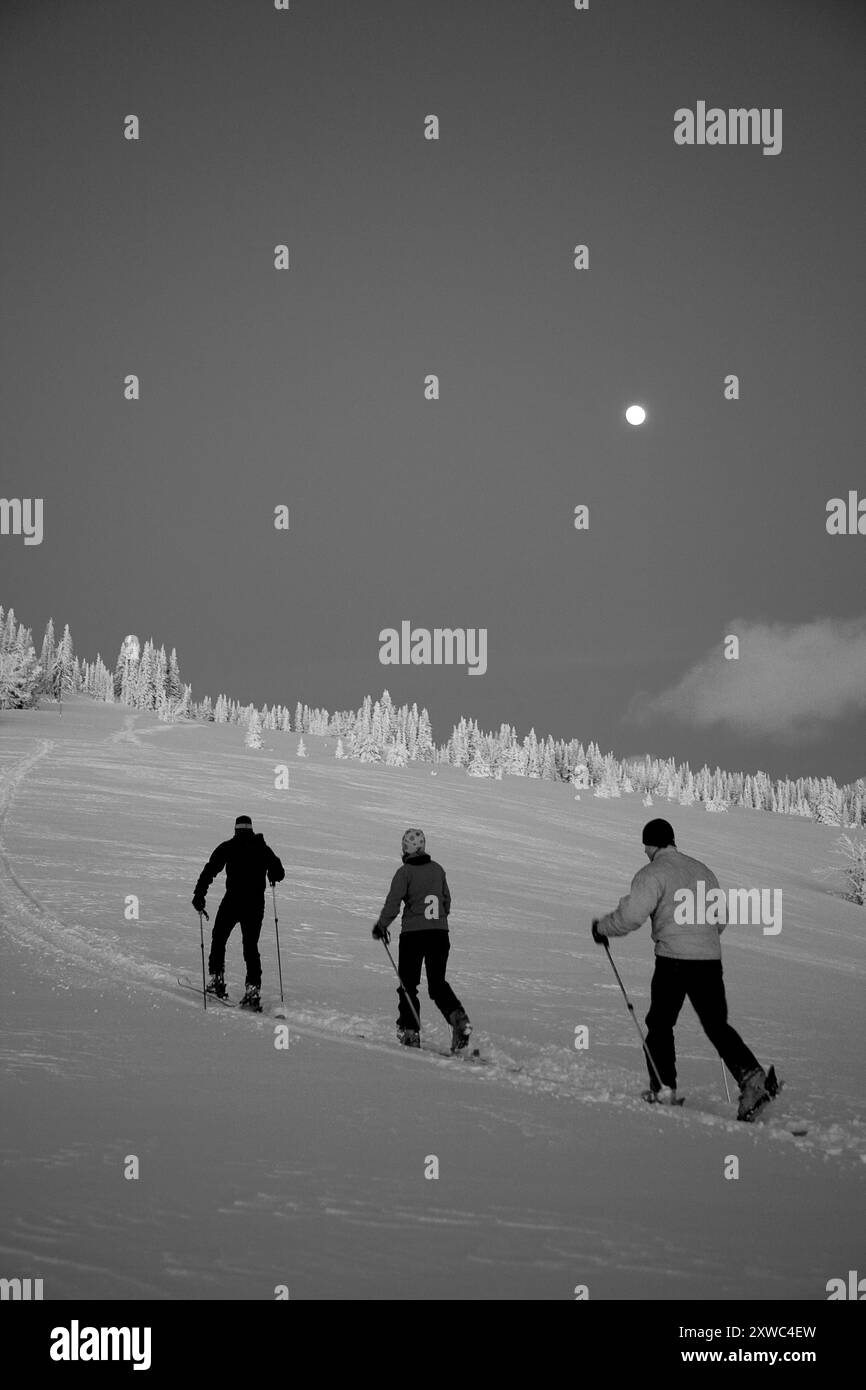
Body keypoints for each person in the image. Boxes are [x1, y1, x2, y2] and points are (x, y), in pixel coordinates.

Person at [591, 817, 774, 1120]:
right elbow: (720, 919)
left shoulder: (653, 872)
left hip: (673, 960)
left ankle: (664, 1090)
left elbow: (632, 915)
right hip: (709, 961)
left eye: (646, 846)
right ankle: (753, 1080)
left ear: (650, 844)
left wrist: (602, 928)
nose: (646, 852)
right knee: (717, 1026)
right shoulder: (702, 871)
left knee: (661, 1024)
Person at [372, 828, 472, 1051]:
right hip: (439, 934)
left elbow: (393, 903)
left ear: (406, 849)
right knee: (437, 985)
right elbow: (446, 901)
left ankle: (410, 1032)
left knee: (408, 985)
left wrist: (381, 926)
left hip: (413, 936)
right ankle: (459, 1021)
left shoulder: (404, 872)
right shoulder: (438, 870)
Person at [192, 814, 284, 1010]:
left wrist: (199, 895)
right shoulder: (262, 848)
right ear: (251, 829)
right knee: (250, 946)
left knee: (219, 938)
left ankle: (217, 979)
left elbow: (209, 870)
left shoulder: (229, 846)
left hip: (232, 901)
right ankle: (253, 989)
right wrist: (272, 873)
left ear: (236, 830)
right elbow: (279, 872)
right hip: (255, 904)